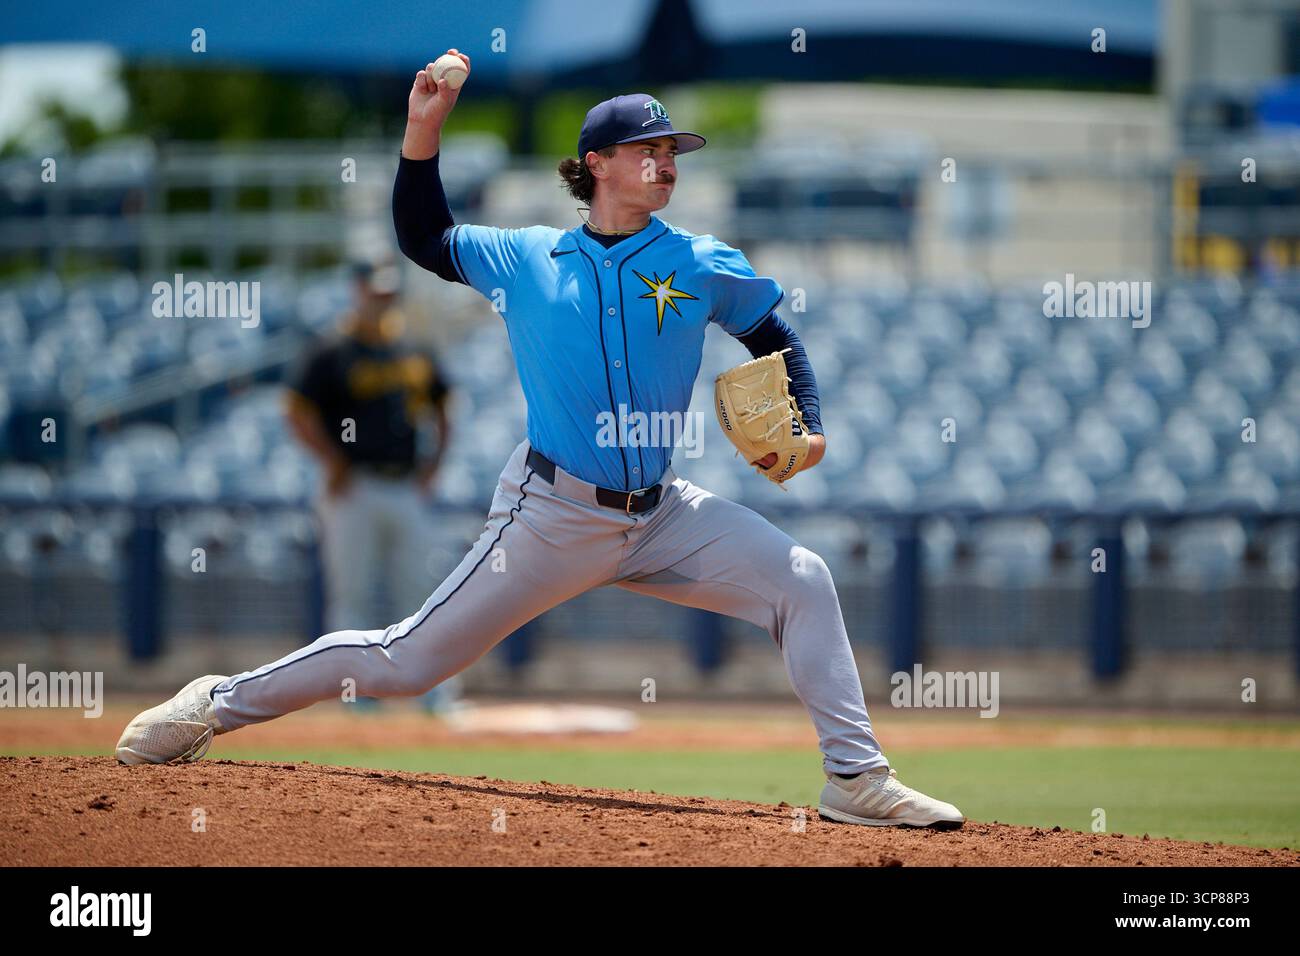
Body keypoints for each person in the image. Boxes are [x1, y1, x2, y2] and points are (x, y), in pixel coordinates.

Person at [116, 50, 965, 829]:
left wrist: (809, 426)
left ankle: (854, 778)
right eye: (648, 149)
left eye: (673, 152)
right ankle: (216, 703)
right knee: (406, 663)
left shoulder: (702, 260)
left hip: (664, 515)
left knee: (803, 579)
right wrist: (425, 129)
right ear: (596, 164)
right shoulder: (527, 257)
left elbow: (776, 338)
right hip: (551, 514)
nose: (666, 163)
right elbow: (422, 238)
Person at [283, 255, 461, 713]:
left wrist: (435, 464)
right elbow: (295, 412)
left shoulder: (413, 348)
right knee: (353, 595)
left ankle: (433, 694)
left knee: (422, 595)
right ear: (356, 291)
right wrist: (331, 457)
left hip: (405, 485)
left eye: (389, 293)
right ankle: (354, 696)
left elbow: (446, 407)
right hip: (354, 487)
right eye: (375, 292)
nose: (383, 301)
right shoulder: (331, 350)